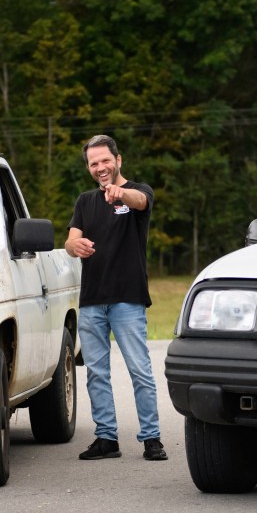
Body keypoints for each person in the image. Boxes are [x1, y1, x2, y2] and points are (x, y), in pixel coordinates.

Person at [65, 134, 167, 461]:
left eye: (105, 161)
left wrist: (121, 193)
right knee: (96, 372)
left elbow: (140, 201)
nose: (100, 167)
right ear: (89, 168)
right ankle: (106, 438)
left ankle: (152, 439)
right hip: (92, 299)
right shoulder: (84, 202)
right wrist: (73, 247)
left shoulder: (137, 192)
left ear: (118, 160)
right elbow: (70, 240)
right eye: (94, 163)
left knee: (139, 369)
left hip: (127, 298)